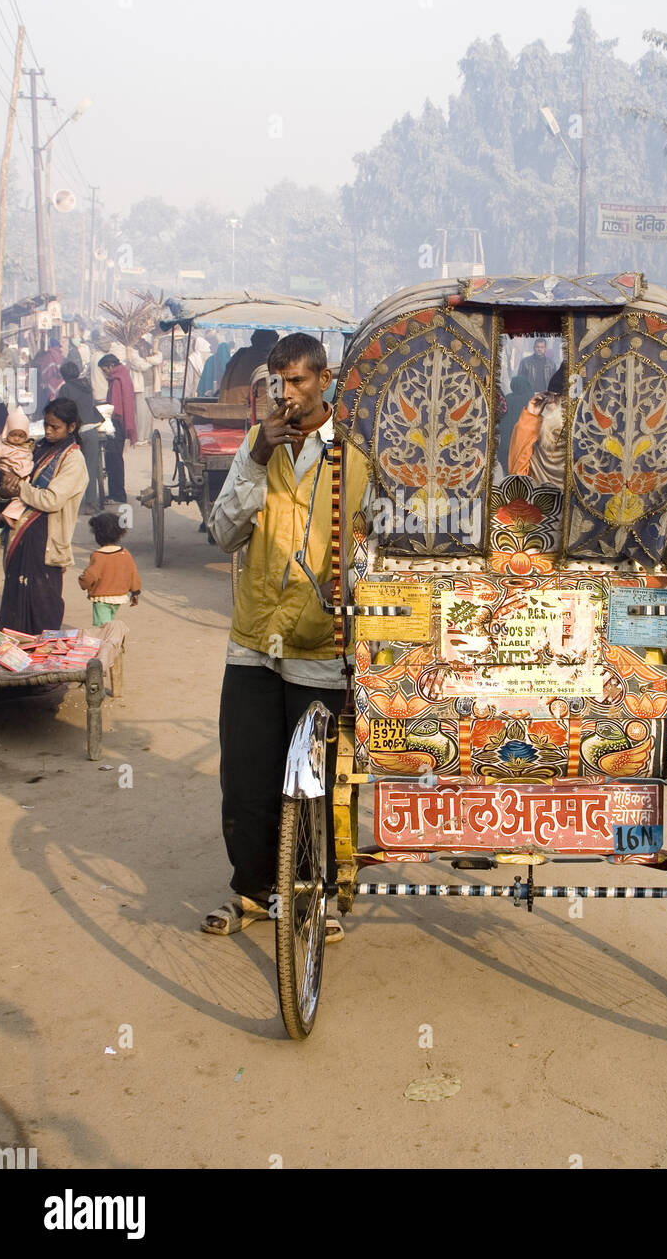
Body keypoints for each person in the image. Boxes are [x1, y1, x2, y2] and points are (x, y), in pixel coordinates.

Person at [202, 333, 370, 941]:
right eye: (278, 382)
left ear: (323, 381)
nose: (287, 394)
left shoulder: (355, 454)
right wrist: (251, 461)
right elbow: (222, 534)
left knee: (313, 786)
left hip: (319, 648)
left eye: (298, 381)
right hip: (252, 639)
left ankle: (307, 898)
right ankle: (252, 892)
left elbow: (372, 543)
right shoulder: (256, 446)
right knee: (245, 779)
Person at [0, 397, 88, 633]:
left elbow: (51, 499)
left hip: (46, 543)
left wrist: (19, 488)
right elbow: (18, 485)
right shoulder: (36, 449)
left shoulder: (73, 459)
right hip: (20, 536)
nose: (48, 431)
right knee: (15, 602)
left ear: (71, 427)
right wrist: (7, 490)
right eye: (46, 425)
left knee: (42, 607)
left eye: (55, 427)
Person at [507, 365, 567, 486]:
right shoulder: (541, 434)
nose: (550, 401)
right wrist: (530, 417)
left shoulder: (587, 444)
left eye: (557, 396)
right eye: (550, 395)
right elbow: (518, 478)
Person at [78, 511, 141, 625]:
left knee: (102, 628)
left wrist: (82, 582)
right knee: (110, 624)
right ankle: (113, 640)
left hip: (102, 598)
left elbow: (90, 576)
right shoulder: (125, 553)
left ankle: (110, 641)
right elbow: (133, 573)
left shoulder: (98, 556)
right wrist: (135, 592)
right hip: (119, 597)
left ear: (98, 535)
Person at [58, 360, 104, 512]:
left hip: (76, 433)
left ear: (64, 376)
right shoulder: (86, 386)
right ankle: (90, 502)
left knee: (69, 468)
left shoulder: (66, 388)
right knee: (90, 467)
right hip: (91, 430)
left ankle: (70, 502)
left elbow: (61, 411)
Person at [97, 355, 137, 504]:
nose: (105, 373)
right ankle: (116, 493)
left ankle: (117, 495)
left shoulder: (116, 380)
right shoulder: (124, 374)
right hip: (121, 422)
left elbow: (115, 407)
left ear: (111, 366)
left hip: (117, 423)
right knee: (115, 459)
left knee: (114, 460)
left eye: (105, 370)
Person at [0, 407, 35, 525]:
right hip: (4, 474)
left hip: (22, 475)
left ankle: (10, 514)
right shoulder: (1, 444)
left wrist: (20, 473)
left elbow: (29, 461)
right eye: (13, 435)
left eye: (21, 436)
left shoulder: (27, 447)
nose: (16, 438)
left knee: (22, 497)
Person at [216, 327, 279, 404]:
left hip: (224, 407)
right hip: (246, 413)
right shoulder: (267, 362)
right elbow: (276, 397)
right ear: (272, 343)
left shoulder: (240, 354)